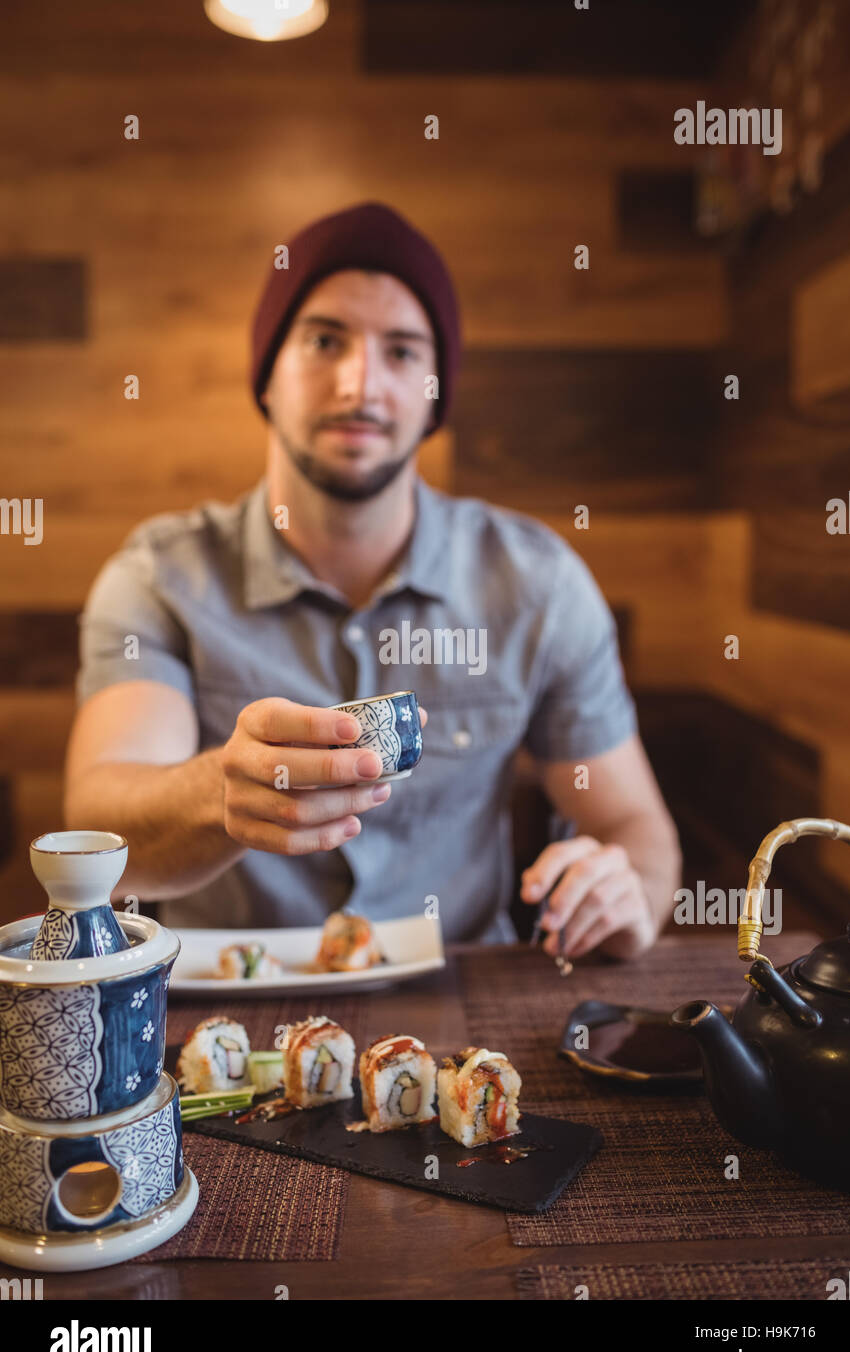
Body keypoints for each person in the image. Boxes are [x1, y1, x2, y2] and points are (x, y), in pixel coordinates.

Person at [64, 201, 681, 959]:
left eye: (401, 352)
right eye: (325, 340)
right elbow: (99, 827)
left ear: (436, 395)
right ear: (267, 373)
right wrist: (221, 793)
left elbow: (636, 830)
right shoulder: (158, 578)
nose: (361, 384)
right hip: (226, 1014)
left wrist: (628, 893)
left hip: (465, 1019)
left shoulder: (538, 584)